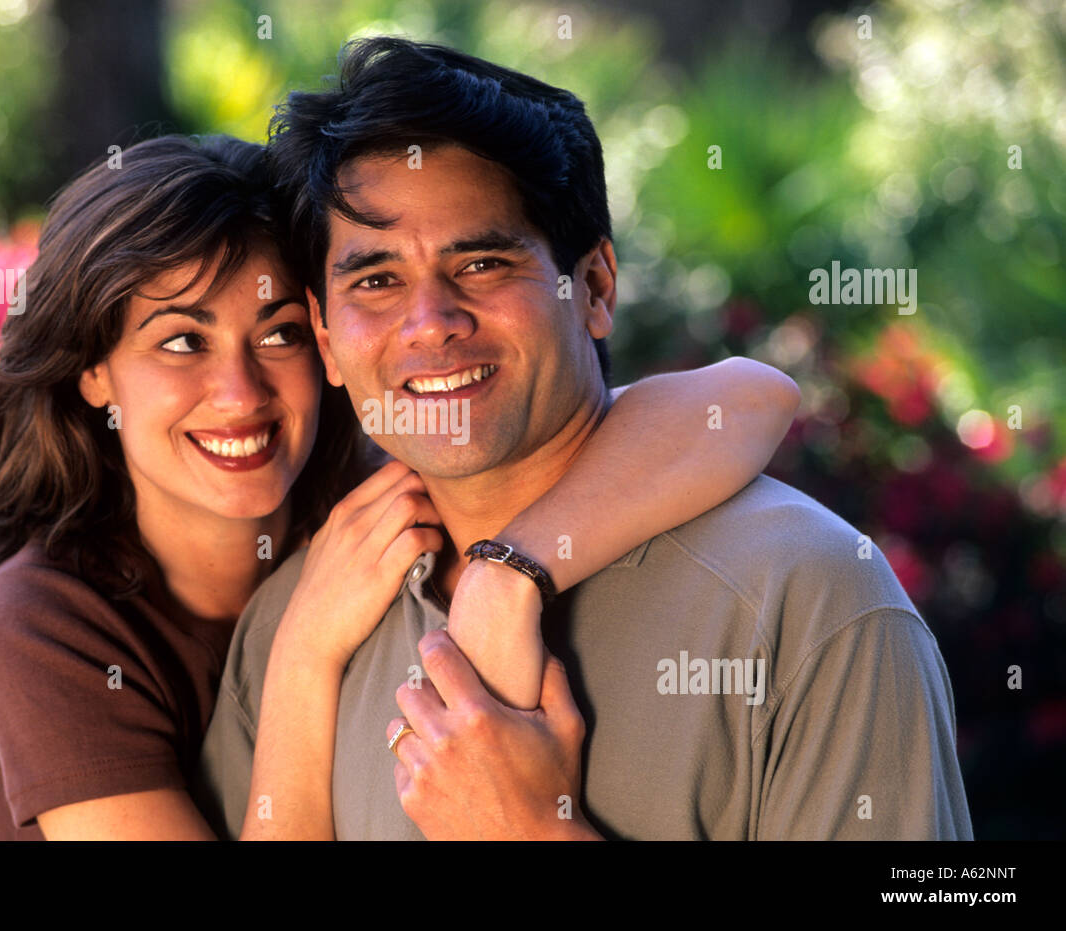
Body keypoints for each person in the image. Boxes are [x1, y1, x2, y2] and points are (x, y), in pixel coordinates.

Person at [197, 37, 974, 840]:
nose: (430, 325)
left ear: (595, 287)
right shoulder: (295, 621)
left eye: (484, 264)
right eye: (377, 280)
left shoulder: (806, 599)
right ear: (325, 338)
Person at [0, 133, 800, 839]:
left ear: (324, 339)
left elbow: (755, 397)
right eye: (180, 343)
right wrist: (305, 651)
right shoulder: (44, 619)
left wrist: (513, 571)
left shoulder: (374, 502)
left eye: (277, 332)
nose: (240, 393)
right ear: (94, 370)